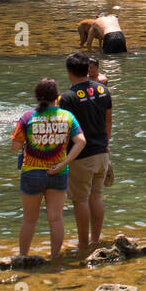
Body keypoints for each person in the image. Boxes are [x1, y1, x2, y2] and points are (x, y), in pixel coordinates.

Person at [12, 79, 84, 260]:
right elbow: (81, 142)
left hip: (32, 172)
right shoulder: (67, 116)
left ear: (37, 97)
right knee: (56, 219)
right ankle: (54, 258)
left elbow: (15, 146)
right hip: (58, 171)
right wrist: (64, 162)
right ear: (57, 96)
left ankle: (23, 257)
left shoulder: (28, 117)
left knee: (29, 219)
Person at [59, 53, 112, 249]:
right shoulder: (103, 90)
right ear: (88, 69)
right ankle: (95, 240)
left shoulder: (67, 97)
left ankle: (83, 244)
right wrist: (106, 144)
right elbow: (108, 121)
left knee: (80, 200)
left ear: (69, 72)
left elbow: (64, 132)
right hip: (102, 152)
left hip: (80, 156)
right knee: (96, 198)